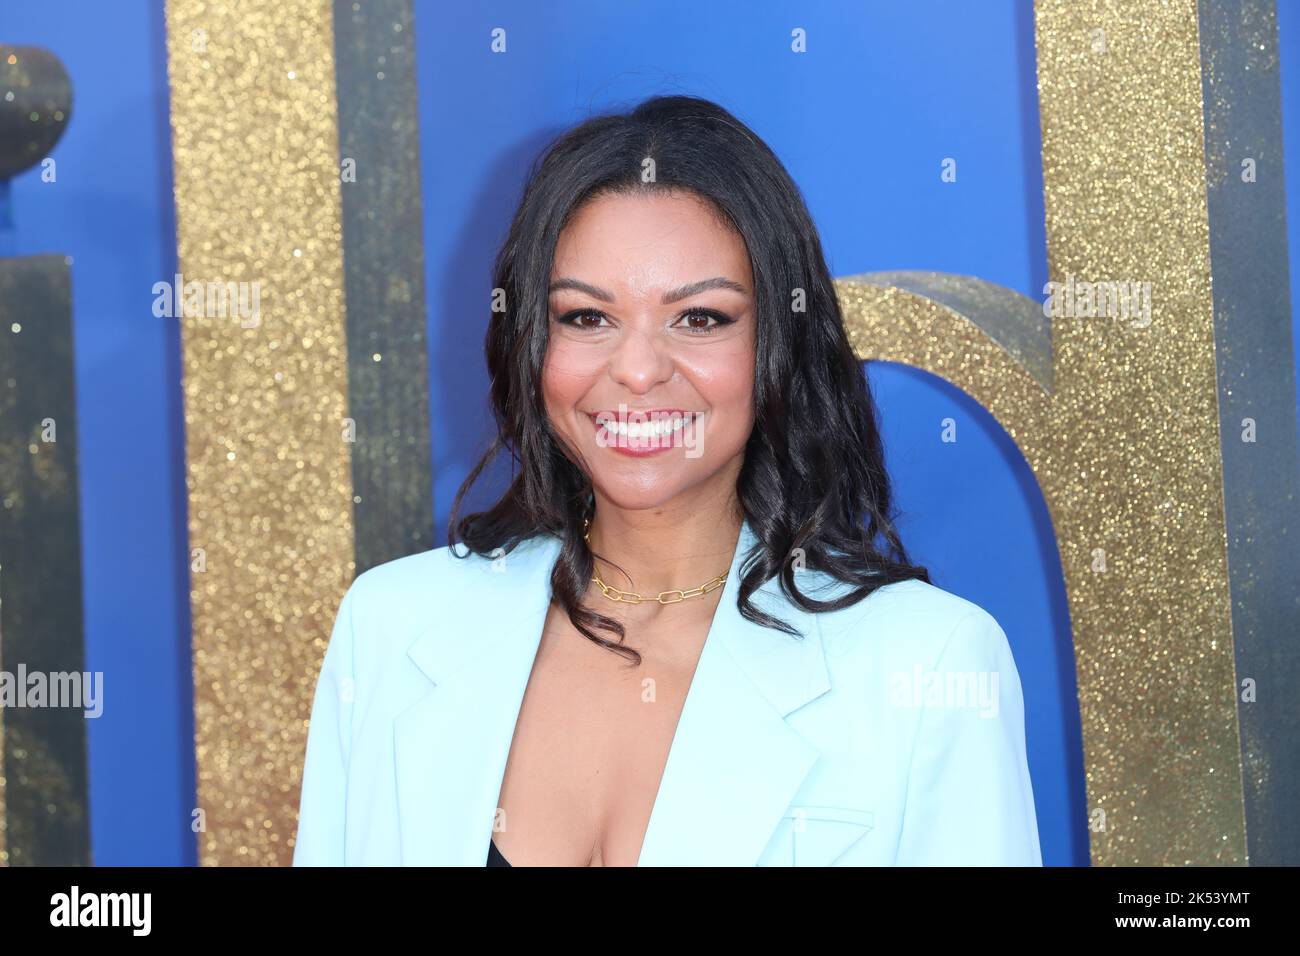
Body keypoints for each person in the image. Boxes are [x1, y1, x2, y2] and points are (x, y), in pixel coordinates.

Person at [292, 94, 1041, 867]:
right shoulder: (389, 630)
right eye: (586, 317)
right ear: (529, 341)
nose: (639, 370)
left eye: (700, 318)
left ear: (777, 344)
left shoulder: (929, 666)